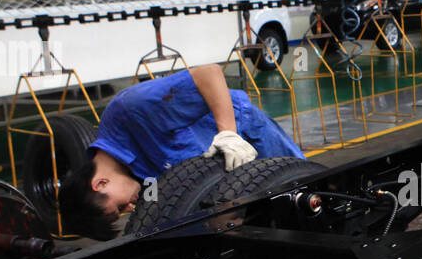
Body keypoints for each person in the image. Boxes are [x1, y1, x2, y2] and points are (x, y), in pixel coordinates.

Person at [58, 63, 304, 238]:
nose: (129, 209)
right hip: (230, 176)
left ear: (100, 184)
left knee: (306, 187)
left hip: (248, 134)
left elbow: (209, 74)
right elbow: (164, 202)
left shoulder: (131, 111)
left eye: (119, 208)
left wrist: (228, 133)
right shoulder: (138, 179)